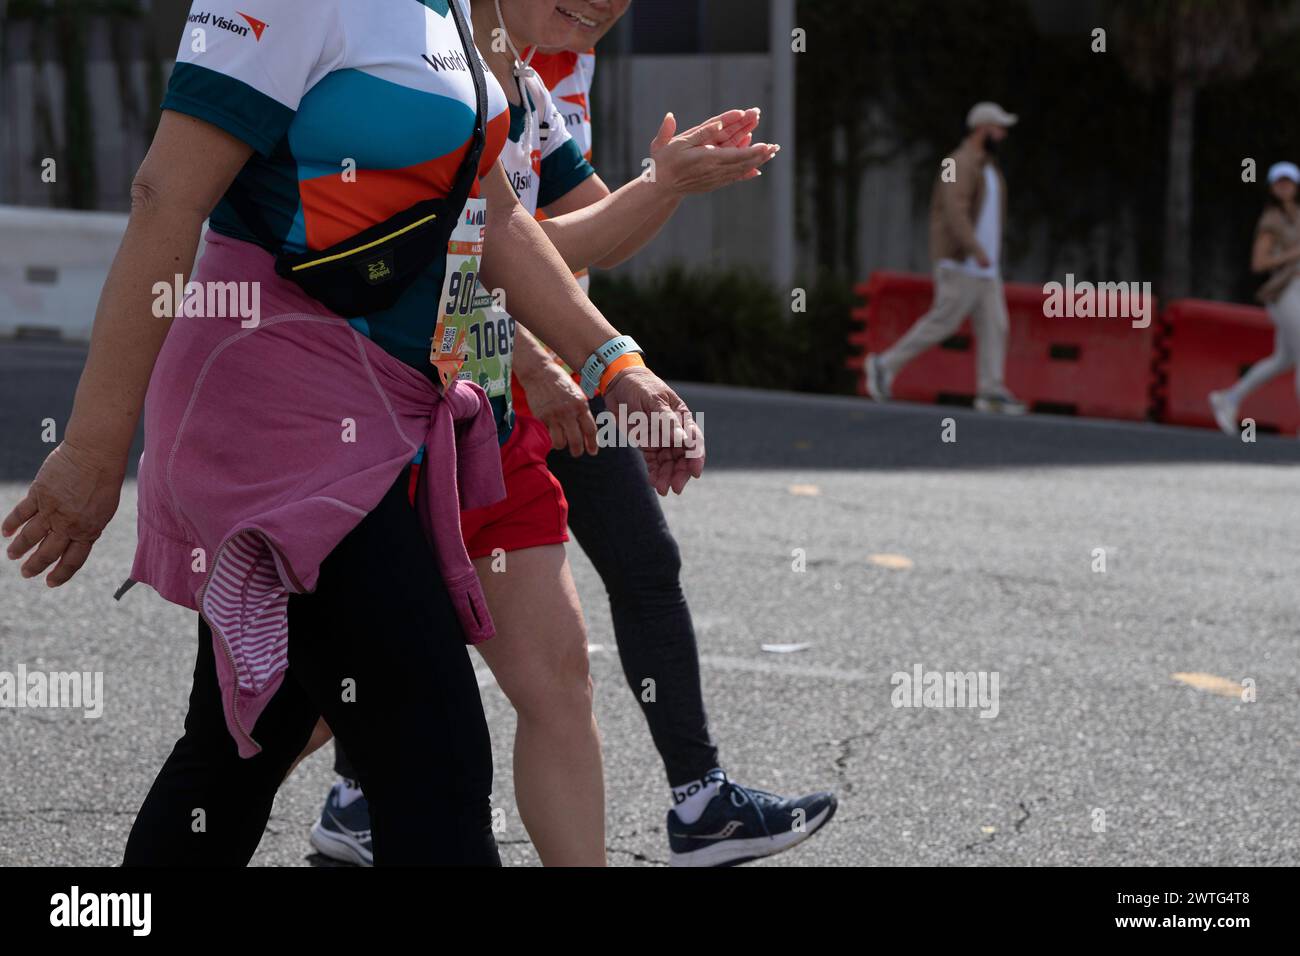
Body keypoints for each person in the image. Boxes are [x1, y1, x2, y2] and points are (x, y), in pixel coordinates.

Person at [2, 0, 703, 867]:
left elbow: (488, 218)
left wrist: (616, 367)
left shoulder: (446, 8)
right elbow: (164, 196)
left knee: (240, 751)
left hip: (387, 421)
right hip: (273, 419)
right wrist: (92, 453)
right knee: (436, 758)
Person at [310, 0, 838, 869]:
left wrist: (662, 183)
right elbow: (460, 251)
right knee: (328, 691)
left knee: (561, 676)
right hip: (400, 419)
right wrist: (571, 365)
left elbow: (563, 239)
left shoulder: (524, 80)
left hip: (498, 419)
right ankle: (349, 792)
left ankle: (695, 797)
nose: (602, 4)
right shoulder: (421, 65)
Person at [865, 101, 1025, 415]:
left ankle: (991, 391)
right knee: (942, 322)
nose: (1003, 134)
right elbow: (955, 211)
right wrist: (976, 250)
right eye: (999, 128)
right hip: (961, 262)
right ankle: (884, 365)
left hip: (984, 268)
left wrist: (988, 257)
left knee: (996, 325)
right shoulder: (959, 163)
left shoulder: (987, 167)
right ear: (982, 129)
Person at [1208, 161, 1300, 436]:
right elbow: (1259, 263)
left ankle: (1228, 398)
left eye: (1289, 181)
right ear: (1272, 187)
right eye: (1279, 182)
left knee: (1283, 359)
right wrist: (1293, 255)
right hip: (1284, 292)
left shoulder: (1296, 215)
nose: (1284, 186)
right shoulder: (1271, 220)